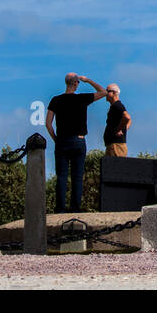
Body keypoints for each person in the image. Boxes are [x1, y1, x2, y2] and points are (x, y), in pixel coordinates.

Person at [46, 72, 106, 213]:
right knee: (77, 177)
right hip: (78, 140)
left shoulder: (55, 100)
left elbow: (48, 123)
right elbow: (103, 92)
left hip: (62, 140)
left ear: (66, 83)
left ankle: (60, 208)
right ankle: (75, 208)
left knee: (61, 176)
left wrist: (56, 139)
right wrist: (88, 79)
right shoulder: (81, 99)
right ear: (76, 83)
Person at [103, 84, 131, 157]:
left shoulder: (117, 105)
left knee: (115, 167)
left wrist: (119, 129)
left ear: (114, 93)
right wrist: (123, 128)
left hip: (116, 146)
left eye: (107, 91)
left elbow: (127, 117)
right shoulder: (115, 106)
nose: (105, 93)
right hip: (114, 145)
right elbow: (129, 120)